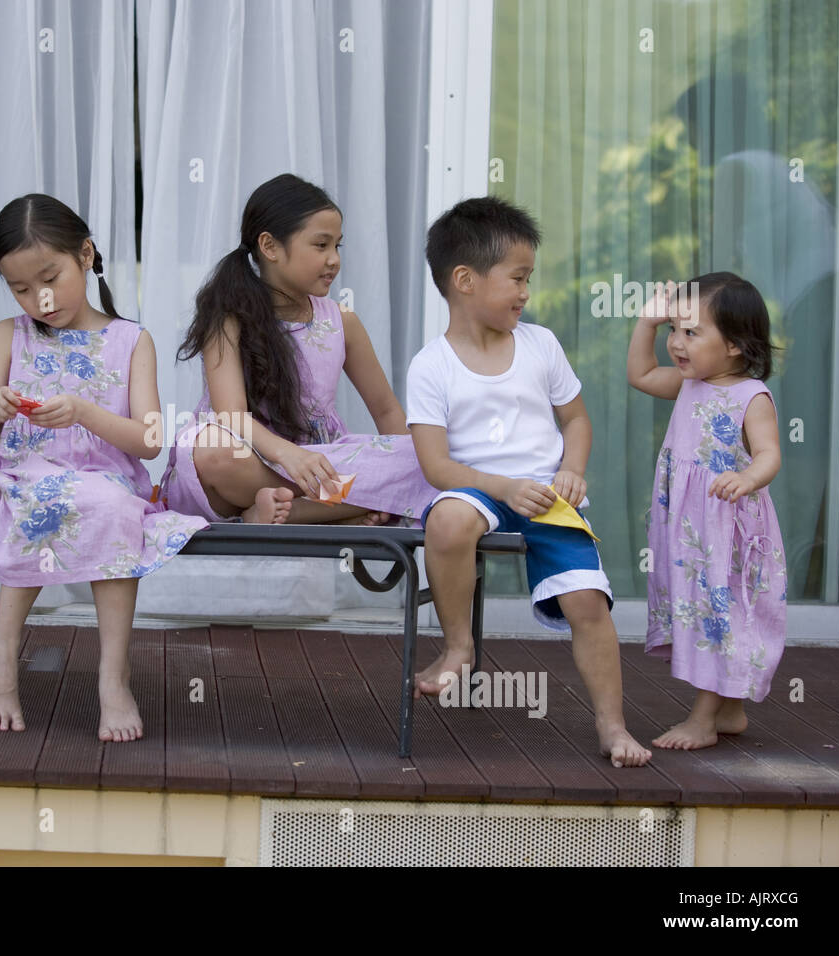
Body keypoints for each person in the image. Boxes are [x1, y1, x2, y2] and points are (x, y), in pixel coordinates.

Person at [407, 196, 650, 768]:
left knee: (588, 601)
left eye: (528, 279)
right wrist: (501, 486)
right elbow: (436, 467)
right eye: (517, 278)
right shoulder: (432, 365)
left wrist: (572, 469)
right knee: (446, 516)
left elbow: (577, 420)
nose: (525, 292)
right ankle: (458, 646)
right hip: (476, 489)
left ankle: (612, 725)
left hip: (546, 493)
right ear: (465, 280)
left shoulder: (540, 346)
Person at [0, 194, 207, 742]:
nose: (39, 299)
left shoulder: (130, 339)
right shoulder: (8, 335)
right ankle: (3, 649)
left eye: (50, 278)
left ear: (86, 255)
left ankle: (113, 676)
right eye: (21, 289)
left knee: (113, 506)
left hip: (108, 481)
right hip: (26, 474)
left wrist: (85, 412)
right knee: (45, 496)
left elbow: (148, 440)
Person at [160, 173, 437, 525]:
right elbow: (230, 414)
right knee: (212, 449)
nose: (334, 259)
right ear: (270, 246)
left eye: (338, 246)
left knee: (427, 459)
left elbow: (385, 411)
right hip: (251, 457)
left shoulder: (342, 321)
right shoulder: (228, 317)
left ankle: (285, 511)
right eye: (321, 245)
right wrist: (287, 455)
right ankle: (333, 510)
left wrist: (411, 462)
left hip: (322, 461)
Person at [627, 273, 786, 749]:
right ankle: (730, 711)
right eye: (674, 329)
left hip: (728, 526)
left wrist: (748, 478)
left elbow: (770, 455)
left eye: (691, 333)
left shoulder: (749, 396)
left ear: (735, 345)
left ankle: (702, 719)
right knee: (700, 610)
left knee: (721, 613)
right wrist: (647, 323)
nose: (676, 342)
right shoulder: (688, 381)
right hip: (690, 526)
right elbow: (639, 374)